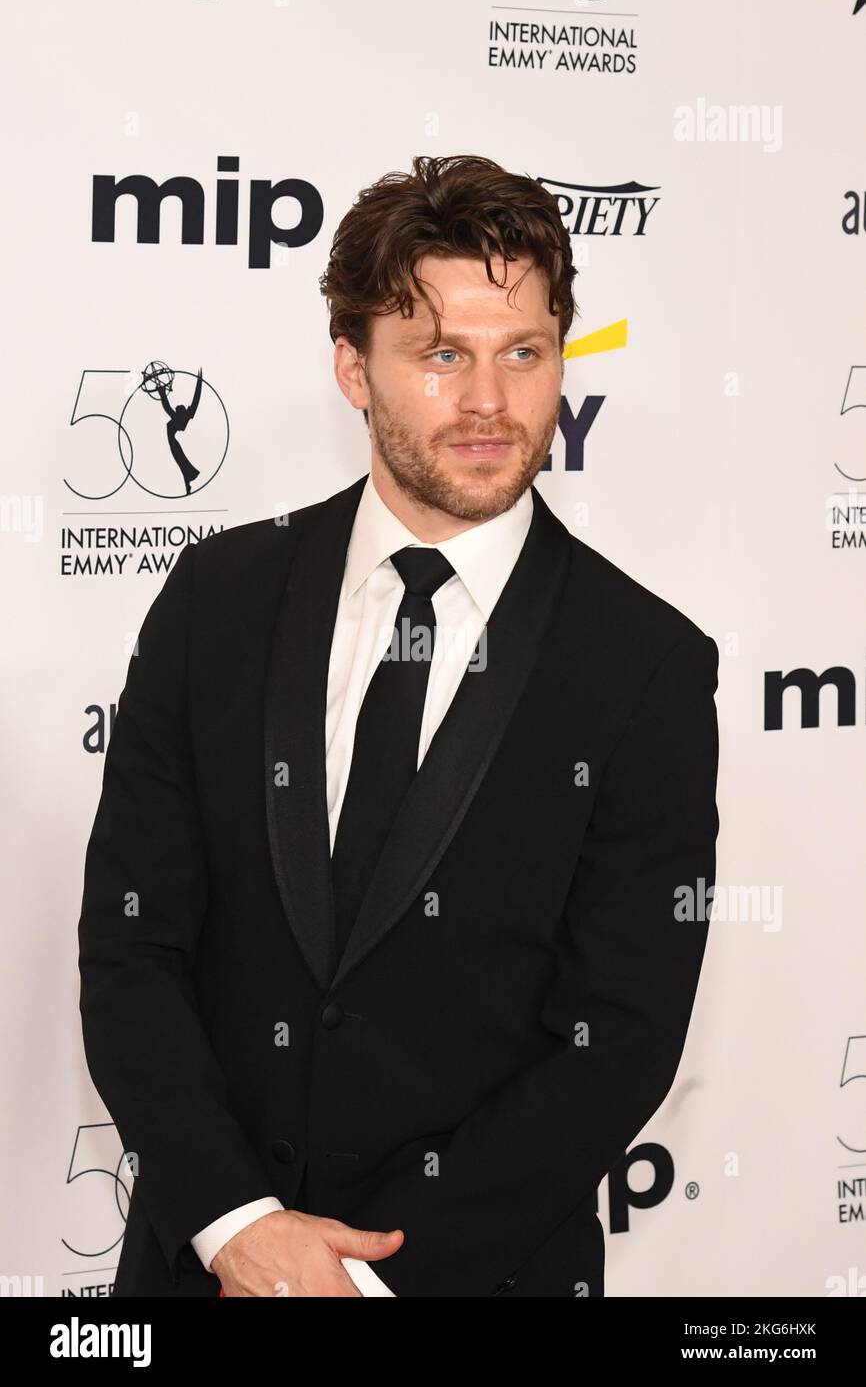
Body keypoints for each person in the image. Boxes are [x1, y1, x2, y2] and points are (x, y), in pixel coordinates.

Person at [77, 153, 719, 1298]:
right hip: (206, 1270)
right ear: (352, 369)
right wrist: (237, 1224)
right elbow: (133, 950)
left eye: (522, 352)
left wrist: (363, 1281)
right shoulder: (215, 602)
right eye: (439, 355)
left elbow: (617, 1035)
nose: (489, 402)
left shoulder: (644, 664)